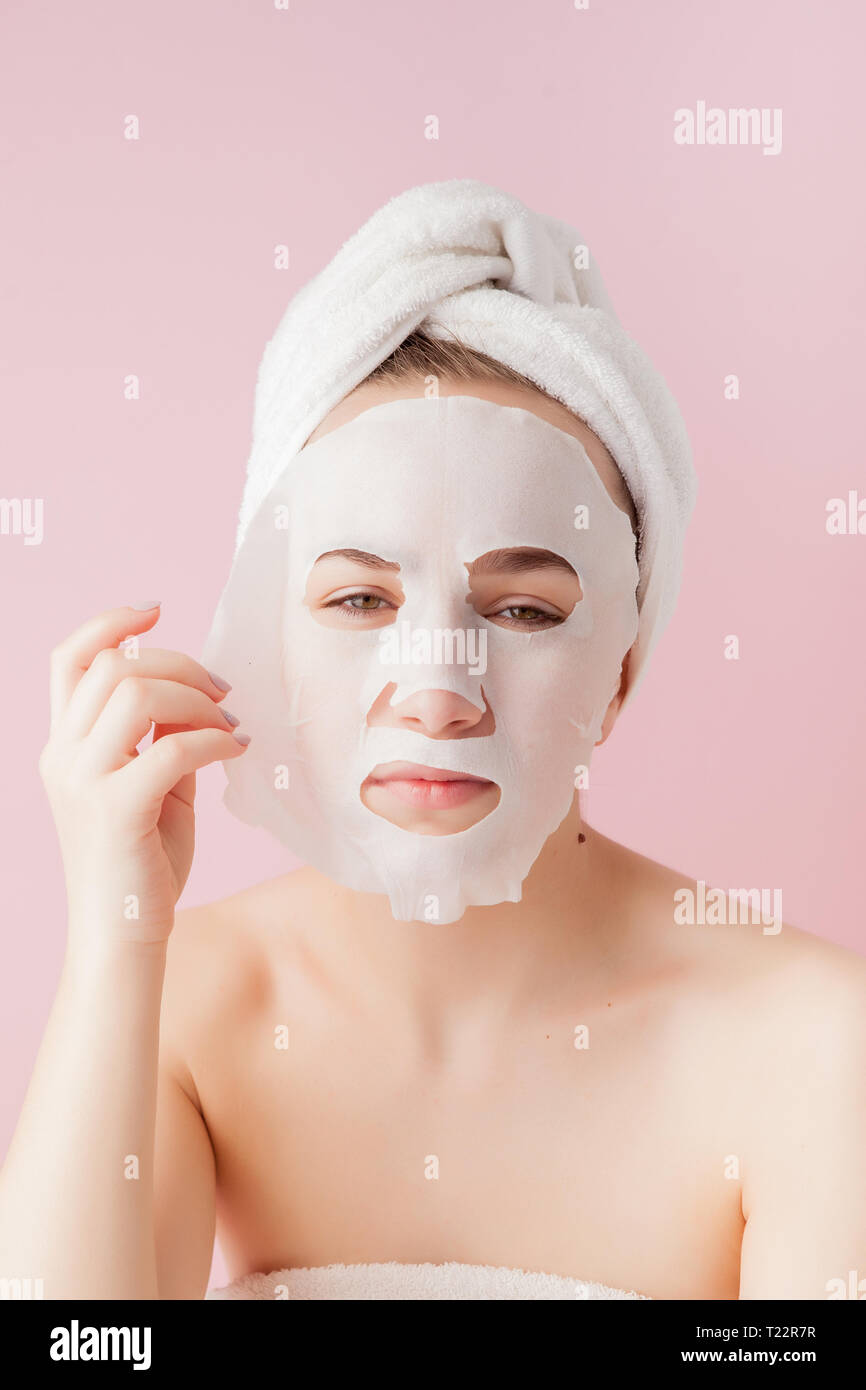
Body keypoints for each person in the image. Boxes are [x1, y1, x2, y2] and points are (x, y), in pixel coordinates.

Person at [2, 185, 864, 1303]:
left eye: (522, 611)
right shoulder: (185, 1007)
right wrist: (114, 935)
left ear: (620, 672)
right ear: (270, 640)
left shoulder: (814, 1047)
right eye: (359, 600)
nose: (436, 695)